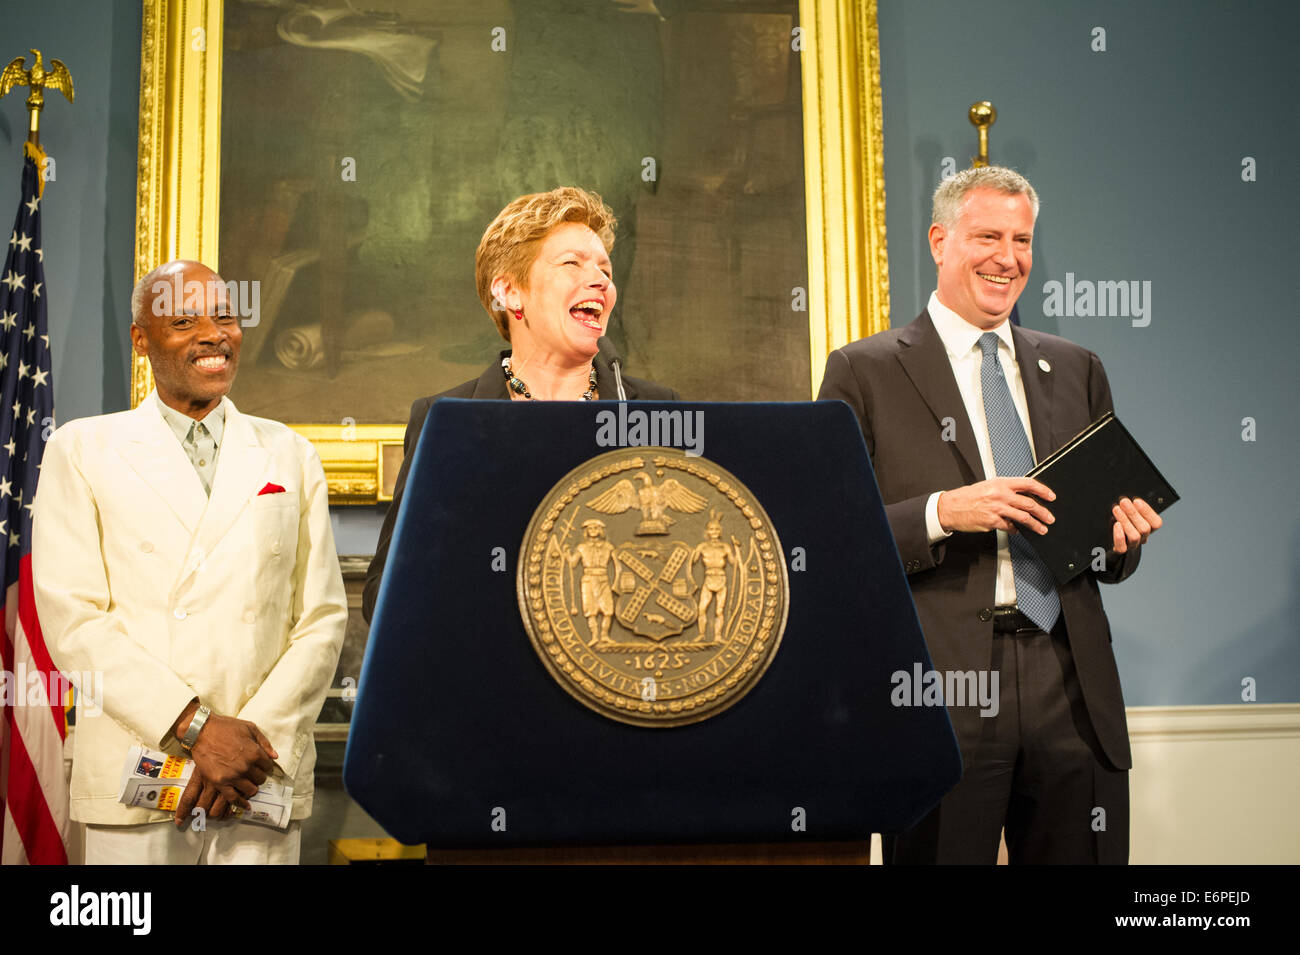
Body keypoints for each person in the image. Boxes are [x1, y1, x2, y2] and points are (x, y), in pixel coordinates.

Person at [817, 166, 1163, 864]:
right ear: (940, 241)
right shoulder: (865, 370)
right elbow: (830, 540)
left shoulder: (1076, 368)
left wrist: (1122, 539)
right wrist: (947, 511)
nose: (1008, 258)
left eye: (1023, 240)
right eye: (987, 236)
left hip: (1071, 686)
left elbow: (1106, 549)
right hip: (940, 690)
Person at [32, 259, 347, 864]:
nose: (213, 333)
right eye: (184, 320)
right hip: (139, 775)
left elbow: (323, 619)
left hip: (259, 779)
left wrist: (249, 751)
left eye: (224, 317)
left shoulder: (291, 452)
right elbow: (73, 620)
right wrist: (200, 730)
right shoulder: (83, 448)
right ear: (141, 340)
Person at [363, 186, 679, 622]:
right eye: (572, 263)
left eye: (605, 269)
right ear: (510, 293)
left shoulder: (656, 410)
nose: (601, 280)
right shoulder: (446, 419)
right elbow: (383, 595)